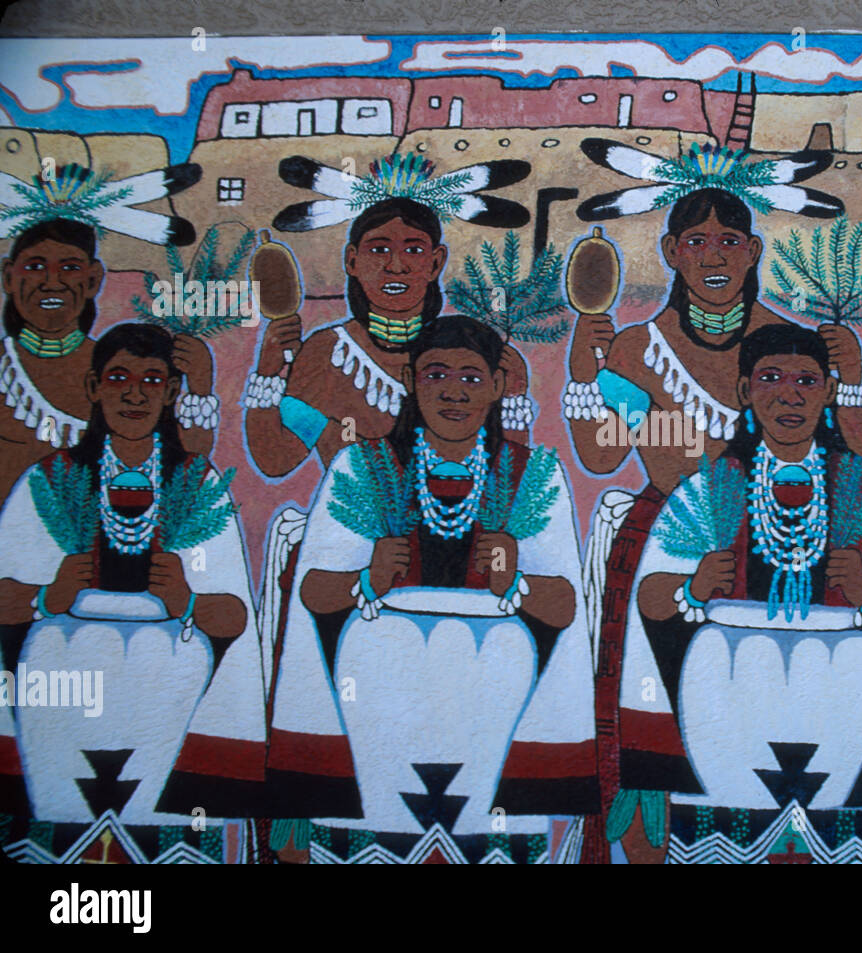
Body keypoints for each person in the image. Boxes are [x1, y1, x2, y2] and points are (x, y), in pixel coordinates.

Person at [565, 140, 862, 862]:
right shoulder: (638, 349)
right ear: (671, 251)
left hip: (791, 545)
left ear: (753, 247)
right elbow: (604, 454)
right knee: (658, 722)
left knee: (784, 723)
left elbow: (855, 457)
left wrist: (849, 373)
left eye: (729, 239)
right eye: (697, 239)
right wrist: (585, 371)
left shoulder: (795, 345)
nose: (714, 254)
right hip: (668, 561)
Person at [265, 316, 596, 864]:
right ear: (409, 379)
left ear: (497, 385)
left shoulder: (532, 474)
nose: (453, 391)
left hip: (491, 709)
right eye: (436, 373)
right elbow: (313, 593)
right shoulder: (363, 466)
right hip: (379, 704)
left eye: (471, 377)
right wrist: (362, 579)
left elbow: (564, 606)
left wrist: (516, 581)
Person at [618, 324, 862, 860]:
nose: (789, 394)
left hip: (843, 709)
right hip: (726, 703)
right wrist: (691, 589)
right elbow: (650, 598)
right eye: (770, 378)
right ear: (745, 391)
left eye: (807, 381)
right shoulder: (707, 485)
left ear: (828, 392)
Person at [0, 323, 262, 861]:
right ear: (94, 387)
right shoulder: (49, 480)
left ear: (170, 392)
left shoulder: (197, 484)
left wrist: (187, 601)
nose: (135, 393)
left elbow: (234, 615)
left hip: (165, 693)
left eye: (153, 379)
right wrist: (46, 596)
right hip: (63, 691)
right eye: (119, 378)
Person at [244, 154, 537, 480]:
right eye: (379, 249)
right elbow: (277, 461)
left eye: (414, 250)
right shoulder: (327, 354)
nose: (396, 266)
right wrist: (267, 374)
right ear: (352, 260)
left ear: (436, 262)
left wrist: (512, 396)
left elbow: (508, 476)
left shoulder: (469, 350)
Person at [0, 163, 217, 504]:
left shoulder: (120, 371)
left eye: (69, 268)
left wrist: (201, 389)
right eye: (35, 266)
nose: (51, 281)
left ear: (92, 280)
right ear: (9, 276)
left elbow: (182, 471)